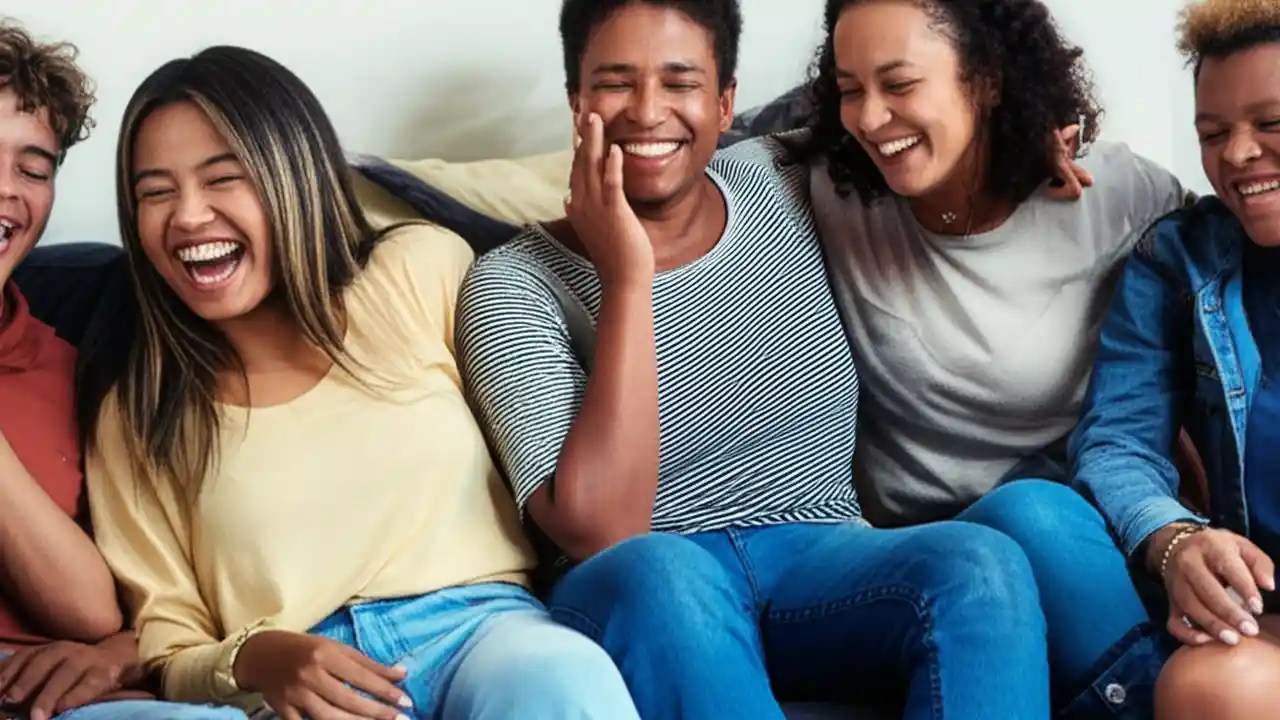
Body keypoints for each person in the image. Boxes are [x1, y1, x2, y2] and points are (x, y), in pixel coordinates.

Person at [455, 1, 1050, 718]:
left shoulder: (785, 177)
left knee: (979, 563)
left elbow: (925, 134)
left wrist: (1036, 145)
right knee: (661, 573)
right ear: (577, 101)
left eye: (680, 82)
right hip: (643, 585)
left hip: (822, 561)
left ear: (724, 102)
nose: (648, 112)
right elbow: (602, 532)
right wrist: (625, 278)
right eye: (615, 82)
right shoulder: (510, 282)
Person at [79, 45, 639, 720]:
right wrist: (263, 658)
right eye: (156, 193)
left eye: (224, 179)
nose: (189, 217)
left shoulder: (417, 269)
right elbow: (170, 648)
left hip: (482, 633)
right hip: (296, 690)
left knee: (560, 676)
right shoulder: (140, 409)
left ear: (295, 175)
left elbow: (555, 430)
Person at [804, 0, 1187, 714]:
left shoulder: (1112, 197)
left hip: (1081, 547)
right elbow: (703, 135)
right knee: (1016, 522)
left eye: (900, 83)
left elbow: (1233, 274)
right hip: (924, 566)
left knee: (1036, 511)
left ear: (985, 79)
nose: (871, 118)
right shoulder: (837, 189)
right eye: (850, 89)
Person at [0, 21, 247, 720]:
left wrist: (117, 653)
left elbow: (105, 611)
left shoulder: (85, 367)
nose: (6, 190)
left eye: (33, 168)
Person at [1070, 0, 1280, 717]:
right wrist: (1175, 539)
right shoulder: (1177, 260)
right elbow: (1118, 443)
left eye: (1270, 124)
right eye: (1213, 133)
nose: (1239, 154)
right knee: (1207, 684)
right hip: (1261, 614)